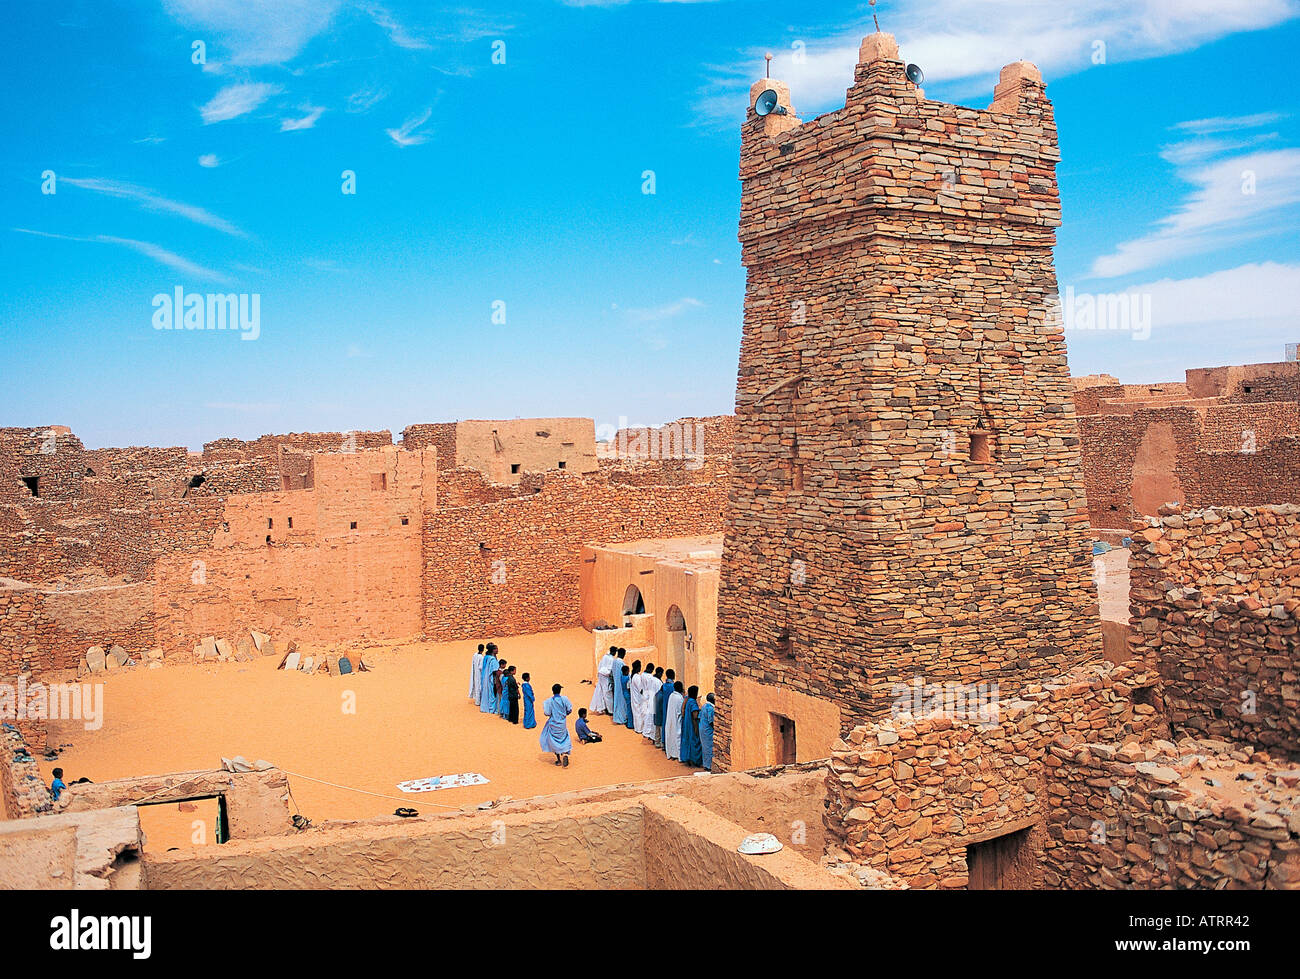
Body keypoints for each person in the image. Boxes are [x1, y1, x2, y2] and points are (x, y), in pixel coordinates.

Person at [539, 683, 573, 766]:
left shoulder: (549, 701)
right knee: (564, 738)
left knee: (553, 741)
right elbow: (569, 709)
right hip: (562, 724)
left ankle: (558, 760)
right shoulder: (564, 699)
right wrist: (564, 714)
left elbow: (547, 713)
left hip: (553, 724)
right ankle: (564, 753)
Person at [680, 685, 703, 767]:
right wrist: (696, 728)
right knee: (694, 742)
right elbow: (695, 716)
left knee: (687, 741)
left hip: (686, 724)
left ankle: (688, 759)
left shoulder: (687, 700)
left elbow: (682, 710)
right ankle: (694, 761)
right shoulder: (693, 702)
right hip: (691, 725)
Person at [591, 645, 616, 715]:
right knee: (608, 694)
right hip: (606, 678)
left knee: (600, 692)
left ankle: (601, 708)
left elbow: (600, 665)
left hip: (601, 676)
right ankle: (610, 710)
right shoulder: (611, 659)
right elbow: (610, 670)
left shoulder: (605, 656)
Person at [664, 681, 685, 761]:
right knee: (677, 737)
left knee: (671, 736)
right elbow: (680, 711)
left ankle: (671, 754)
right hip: (677, 720)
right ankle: (678, 755)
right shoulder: (679, 698)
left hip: (671, 720)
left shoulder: (671, 695)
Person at [653, 668, 673, 749]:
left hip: (661, 708)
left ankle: (659, 742)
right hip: (667, 709)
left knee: (659, 725)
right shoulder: (672, 686)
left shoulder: (663, 686)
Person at [479, 644, 499, 714]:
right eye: (496, 649)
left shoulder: (487, 657)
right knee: (493, 693)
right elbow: (495, 671)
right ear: (493, 650)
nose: (497, 650)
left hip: (485, 677)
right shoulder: (492, 660)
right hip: (492, 679)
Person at [700, 693, 716, 771]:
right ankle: (709, 766)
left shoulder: (704, 706)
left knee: (705, 747)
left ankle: (705, 764)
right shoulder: (711, 709)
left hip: (703, 729)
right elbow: (711, 721)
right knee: (709, 748)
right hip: (708, 731)